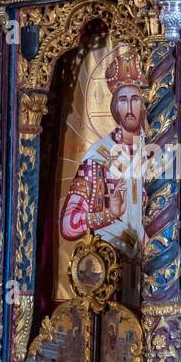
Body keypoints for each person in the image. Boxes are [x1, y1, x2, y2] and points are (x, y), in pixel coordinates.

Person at [60, 49, 146, 300]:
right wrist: (109, 214)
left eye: (136, 99)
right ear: (114, 106)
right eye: (123, 99)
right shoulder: (98, 157)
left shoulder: (161, 151)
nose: (129, 108)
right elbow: (69, 223)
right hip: (110, 269)